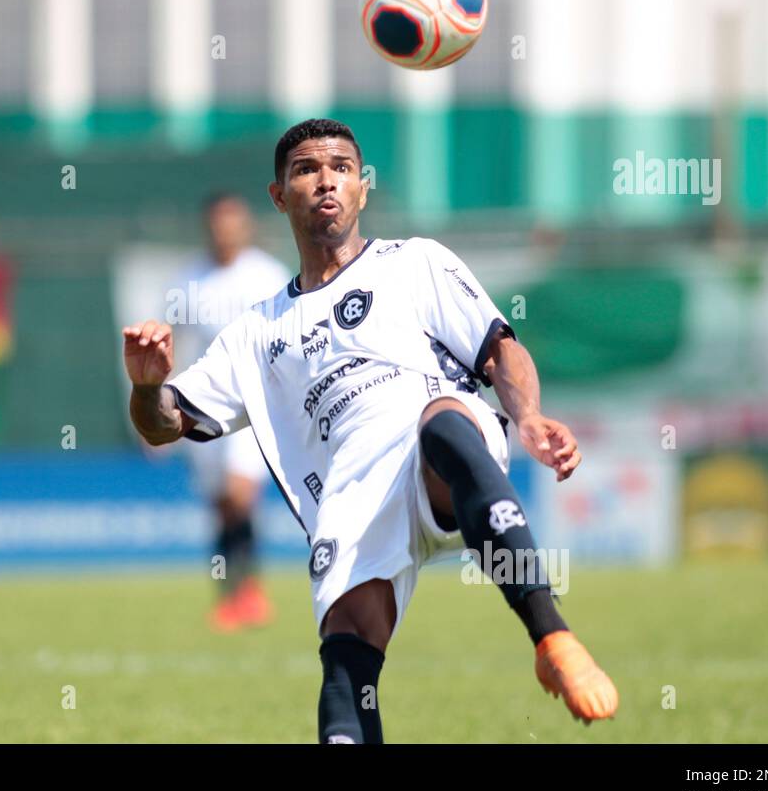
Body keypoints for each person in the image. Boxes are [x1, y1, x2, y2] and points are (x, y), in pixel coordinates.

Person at [123, 118, 618, 742]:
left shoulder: (415, 262)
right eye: (306, 169)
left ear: (362, 188)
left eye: (341, 168)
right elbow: (167, 421)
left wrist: (528, 415)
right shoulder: (256, 333)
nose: (325, 180)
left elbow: (499, 349)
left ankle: (553, 637)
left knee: (441, 420)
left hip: (440, 452)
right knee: (346, 658)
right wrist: (146, 386)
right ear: (279, 196)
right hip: (355, 498)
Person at [171, 193, 289, 631]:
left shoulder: (267, 275)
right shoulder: (189, 280)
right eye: (218, 222)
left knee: (241, 497)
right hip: (203, 403)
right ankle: (230, 595)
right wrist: (160, 409)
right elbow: (174, 342)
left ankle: (251, 590)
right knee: (221, 506)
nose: (226, 230)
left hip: (251, 406)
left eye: (233, 222)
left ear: (247, 226)